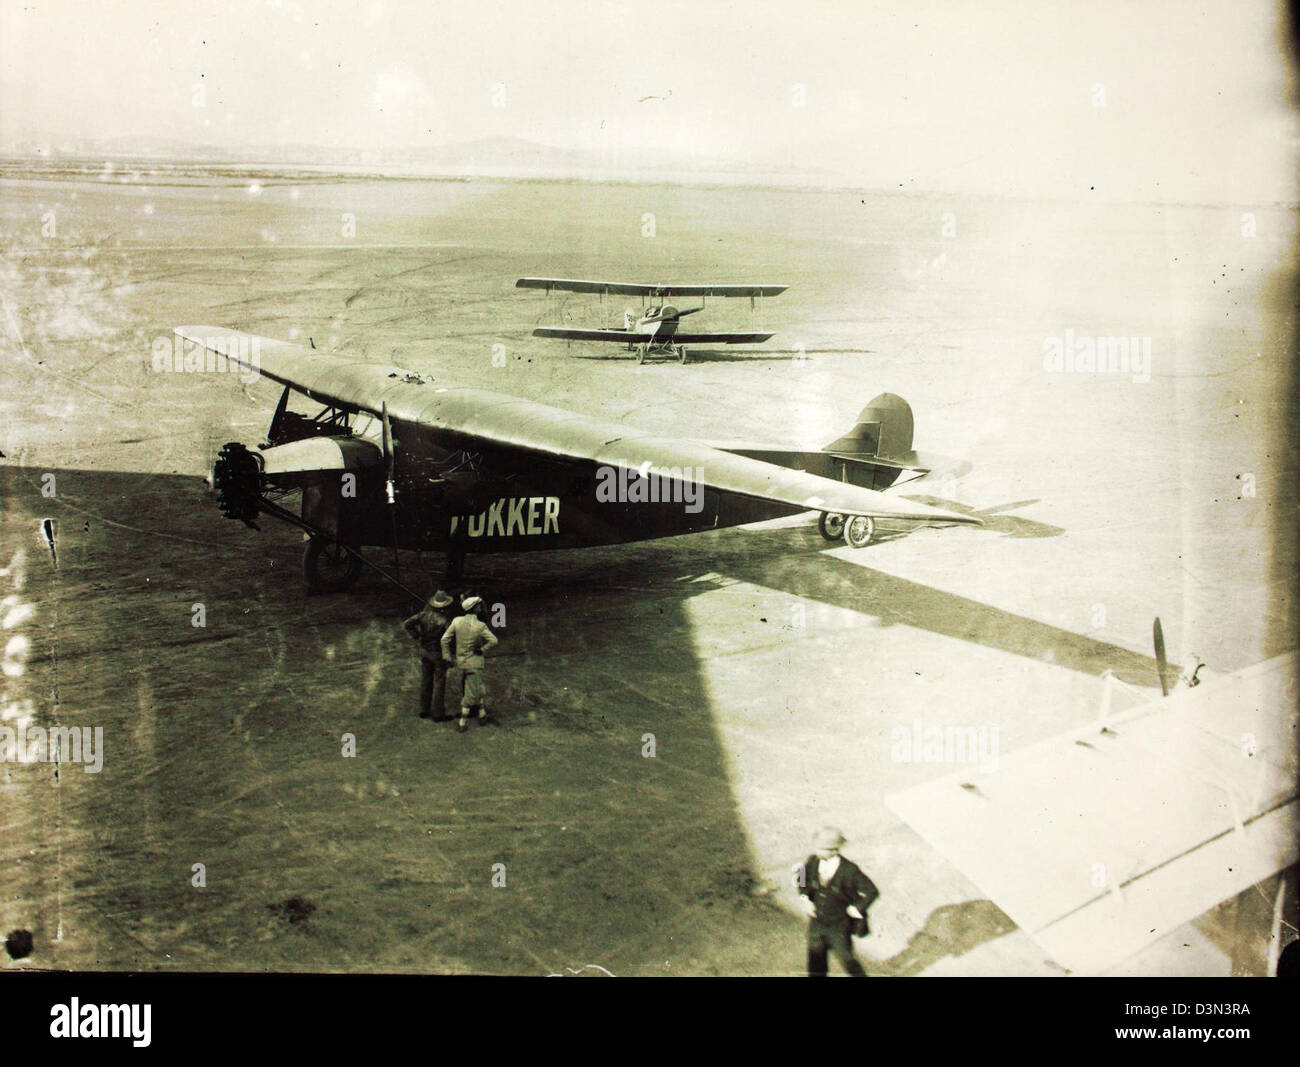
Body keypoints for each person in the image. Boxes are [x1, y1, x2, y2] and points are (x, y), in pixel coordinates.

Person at [796, 827, 878, 977]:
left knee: (847, 960)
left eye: (823, 849)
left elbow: (872, 891)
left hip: (839, 926)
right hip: (817, 924)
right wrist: (804, 898)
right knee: (815, 963)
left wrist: (856, 908)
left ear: (835, 850)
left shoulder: (849, 870)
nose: (818, 851)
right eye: (817, 847)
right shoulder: (812, 861)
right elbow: (801, 879)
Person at [440, 595, 498, 733]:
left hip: (462, 662)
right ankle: (462, 722)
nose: (480, 607)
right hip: (474, 663)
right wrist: (482, 649)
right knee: (472, 693)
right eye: (478, 606)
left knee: (477, 687)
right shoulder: (480, 626)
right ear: (475, 608)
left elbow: (444, 640)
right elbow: (494, 640)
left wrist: (447, 656)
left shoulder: (457, 621)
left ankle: (482, 713)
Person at [402, 590, 456, 721]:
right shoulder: (444, 621)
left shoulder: (423, 615)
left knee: (426, 680)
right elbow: (450, 639)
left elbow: (407, 624)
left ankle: (424, 709)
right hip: (438, 653)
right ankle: (438, 713)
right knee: (439, 682)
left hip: (425, 650)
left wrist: (417, 635)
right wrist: (451, 654)